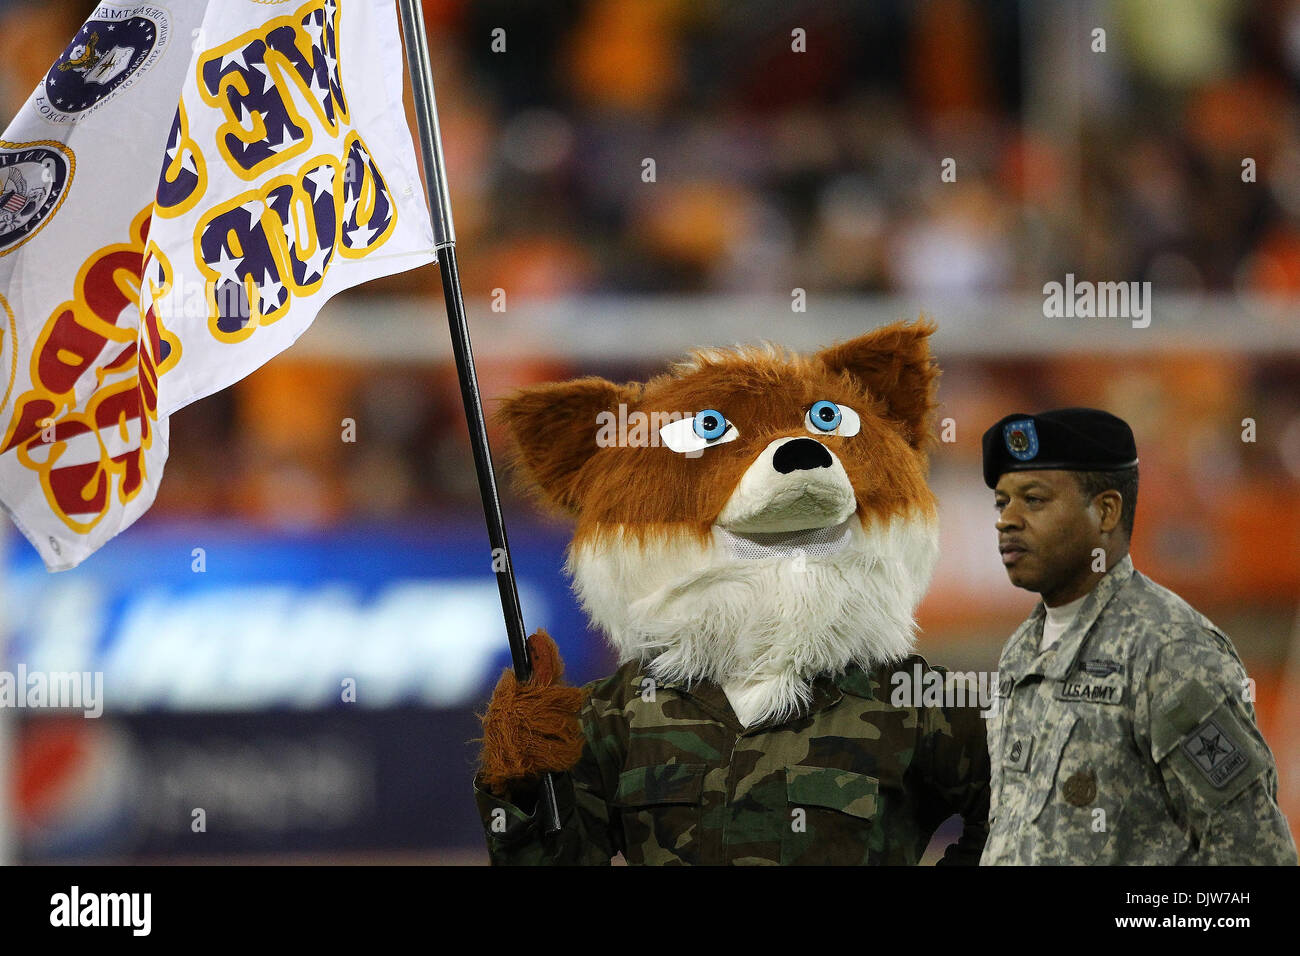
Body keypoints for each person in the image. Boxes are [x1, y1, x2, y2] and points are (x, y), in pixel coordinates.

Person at [979, 407, 1297, 865]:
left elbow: (1255, 854)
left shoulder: (1169, 652)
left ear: (1106, 511)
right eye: (1001, 502)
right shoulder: (1020, 652)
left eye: (1034, 499)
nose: (1006, 520)